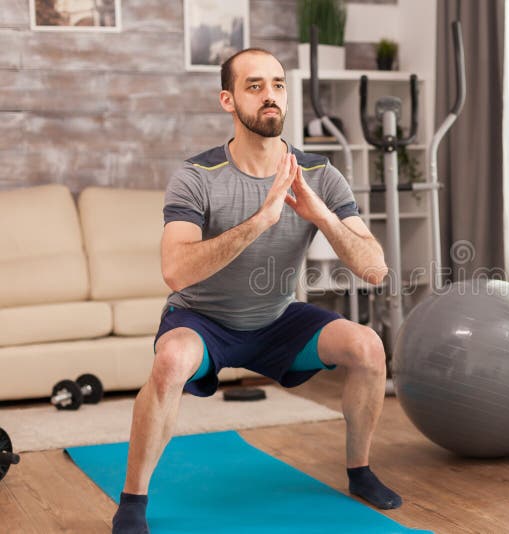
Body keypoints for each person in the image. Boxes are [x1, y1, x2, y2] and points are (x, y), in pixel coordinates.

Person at [112, 48, 402, 534]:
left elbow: (375, 269)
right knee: (169, 363)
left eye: (278, 85)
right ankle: (133, 501)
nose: (270, 96)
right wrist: (261, 220)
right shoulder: (196, 176)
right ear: (228, 100)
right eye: (254, 86)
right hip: (202, 320)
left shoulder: (320, 175)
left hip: (277, 319)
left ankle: (360, 471)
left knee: (368, 347)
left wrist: (323, 217)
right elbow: (175, 271)